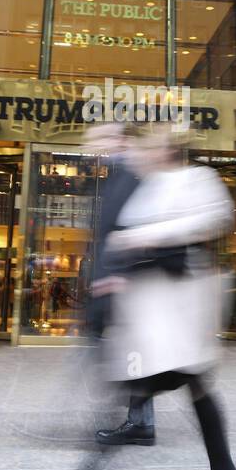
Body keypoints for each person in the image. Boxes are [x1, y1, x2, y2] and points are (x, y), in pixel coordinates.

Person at [48, 122, 236, 470]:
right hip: (152, 310)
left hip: (182, 307)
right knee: (189, 387)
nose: (138, 156)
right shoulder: (147, 186)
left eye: (146, 150)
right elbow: (128, 237)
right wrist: (117, 270)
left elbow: (215, 218)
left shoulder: (197, 178)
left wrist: (150, 237)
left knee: (139, 391)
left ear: (165, 151)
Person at [85, 122, 155, 446]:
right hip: (121, 279)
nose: (97, 145)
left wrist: (118, 275)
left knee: (128, 351)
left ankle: (139, 422)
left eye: (103, 138)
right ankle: (139, 420)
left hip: (127, 281)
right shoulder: (118, 174)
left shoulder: (130, 174)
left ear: (120, 140)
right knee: (128, 350)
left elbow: (130, 229)